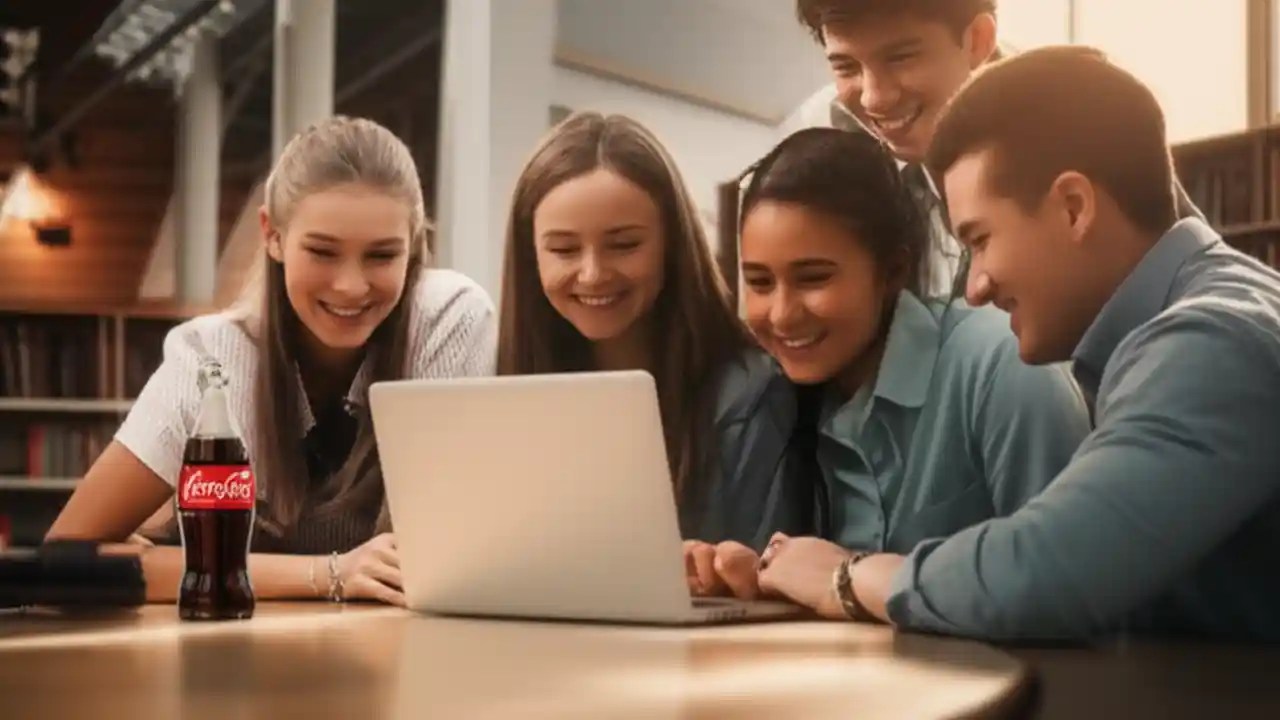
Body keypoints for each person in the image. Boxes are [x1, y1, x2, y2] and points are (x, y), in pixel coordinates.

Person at [795, 47, 1280, 641]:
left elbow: (1043, 572)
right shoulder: (1208, 312)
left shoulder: (1211, 341)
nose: (974, 287)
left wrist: (843, 577)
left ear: (1074, 208)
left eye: (980, 240)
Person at [45, 116, 497, 607]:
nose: (351, 286)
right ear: (272, 234)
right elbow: (65, 559)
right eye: (322, 252)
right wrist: (326, 573)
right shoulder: (211, 357)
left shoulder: (450, 318)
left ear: (413, 246)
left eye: (382, 256)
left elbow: (426, 560)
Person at [684, 126, 1090, 611]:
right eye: (760, 282)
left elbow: (1071, 582)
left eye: (813, 278)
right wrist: (743, 578)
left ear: (893, 271)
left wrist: (846, 579)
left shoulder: (999, 365)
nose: (782, 314)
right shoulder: (768, 403)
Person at [496, 111, 809, 582]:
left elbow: (771, 578)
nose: (592, 274)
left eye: (624, 245)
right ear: (531, 257)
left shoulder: (751, 396)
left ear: (671, 244)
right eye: (563, 250)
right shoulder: (506, 391)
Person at [791, 0, 1202, 298]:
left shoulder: (1083, 118)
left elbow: (1196, 281)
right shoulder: (832, 140)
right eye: (846, 67)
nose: (874, 98)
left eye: (901, 57)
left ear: (978, 40)